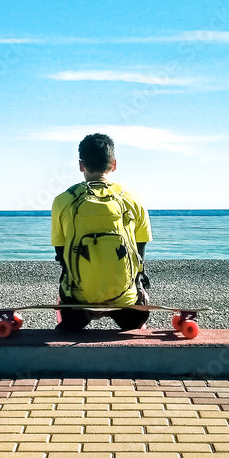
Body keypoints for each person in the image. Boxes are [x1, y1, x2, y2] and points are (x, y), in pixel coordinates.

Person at [50, 133, 152, 331]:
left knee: (66, 291)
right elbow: (140, 256)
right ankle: (140, 331)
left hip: (78, 303)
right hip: (127, 305)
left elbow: (61, 255)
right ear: (114, 164)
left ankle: (66, 327)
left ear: (81, 165)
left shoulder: (63, 201)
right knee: (136, 301)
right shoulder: (134, 198)